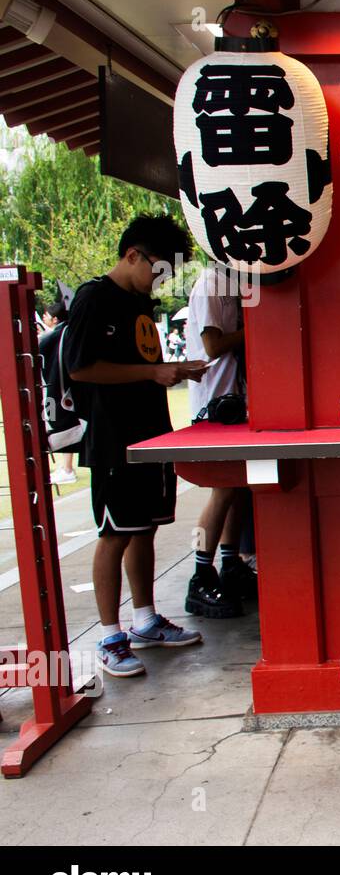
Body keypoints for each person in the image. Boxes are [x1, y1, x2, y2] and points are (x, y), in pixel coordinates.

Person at [65, 214, 208, 678]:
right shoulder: (94, 299)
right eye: (160, 269)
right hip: (114, 440)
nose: (161, 280)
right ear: (133, 256)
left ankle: (145, 620)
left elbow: (141, 360)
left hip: (151, 432)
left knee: (143, 528)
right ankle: (110, 635)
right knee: (115, 533)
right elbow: (81, 369)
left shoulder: (140, 304)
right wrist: (151, 373)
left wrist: (175, 369)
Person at [184, 265, 256, 619]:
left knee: (238, 486)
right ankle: (200, 572)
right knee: (222, 491)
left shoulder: (234, 282)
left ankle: (230, 563)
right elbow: (212, 344)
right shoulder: (211, 283)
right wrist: (256, 327)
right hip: (213, 403)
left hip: (233, 401)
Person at [38, 297, 79, 486]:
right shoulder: (59, 335)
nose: (44, 318)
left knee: (63, 425)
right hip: (61, 397)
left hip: (61, 397)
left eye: (47, 315)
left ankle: (68, 468)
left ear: (55, 319)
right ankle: (65, 467)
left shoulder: (59, 336)